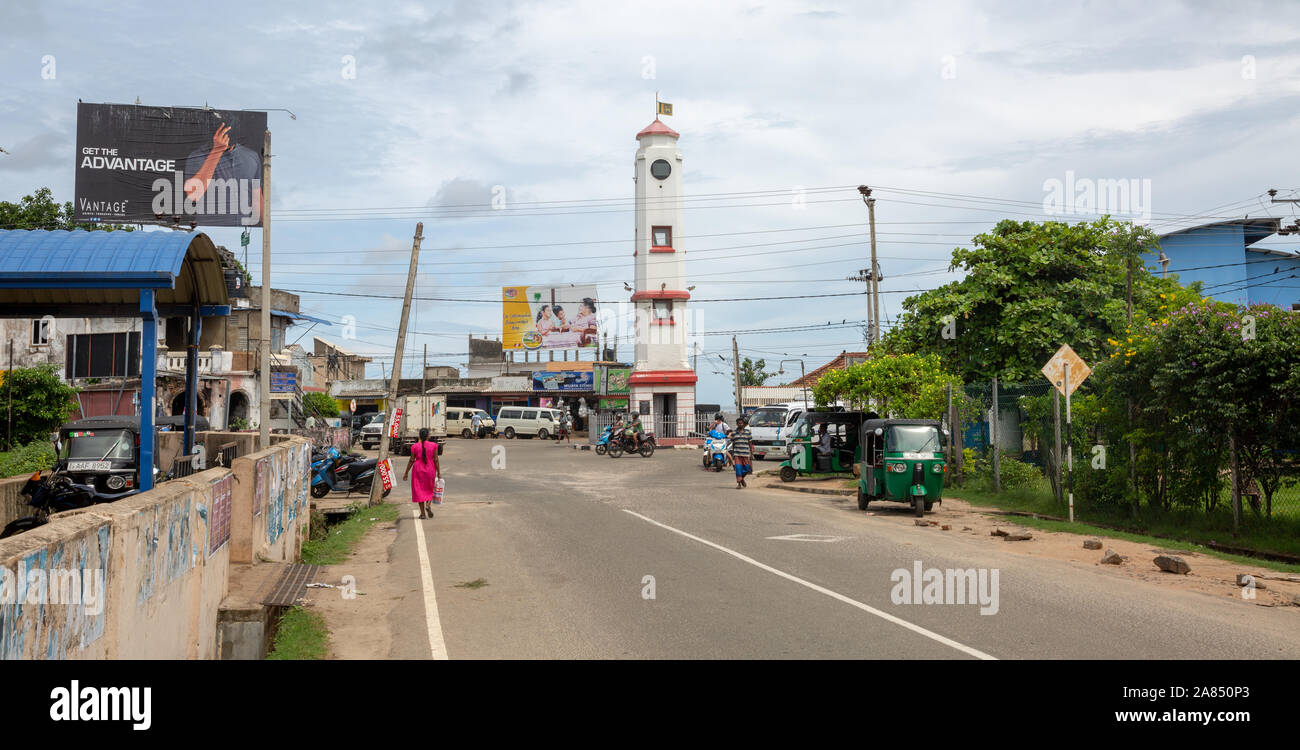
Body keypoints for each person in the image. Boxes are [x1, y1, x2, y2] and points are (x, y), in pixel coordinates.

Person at [402, 427, 441, 519]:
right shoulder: (434, 445)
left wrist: (406, 472)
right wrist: (439, 472)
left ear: (419, 436)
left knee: (419, 491)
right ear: (428, 436)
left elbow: (411, 460)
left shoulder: (414, 446)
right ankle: (428, 504)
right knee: (430, 488)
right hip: (430, 469)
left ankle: (423, 514)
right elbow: (436, 460)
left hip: (417, 470)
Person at [728, 416, 754, 489]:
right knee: (738, 469)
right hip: (737, 454)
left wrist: (751, 453)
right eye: (739, 423)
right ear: (737, 424)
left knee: (747, 469)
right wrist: (733, 453)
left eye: (741, 423)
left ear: (743, 424)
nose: (740, 424)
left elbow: (750, 443)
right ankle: (739, 483)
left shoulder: (748, 432)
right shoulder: (734, 433)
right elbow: (733, 444)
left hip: (745, 453)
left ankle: (741, 478)